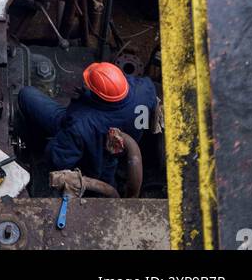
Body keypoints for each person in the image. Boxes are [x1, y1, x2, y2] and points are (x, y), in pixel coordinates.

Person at [17, 61, 158, 187]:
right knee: (108, 170)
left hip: (96, 161)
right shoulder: (145, 89)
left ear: (98, 95)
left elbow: (58, 160)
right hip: (124, 150)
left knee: (27, 95)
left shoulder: (81, 123)